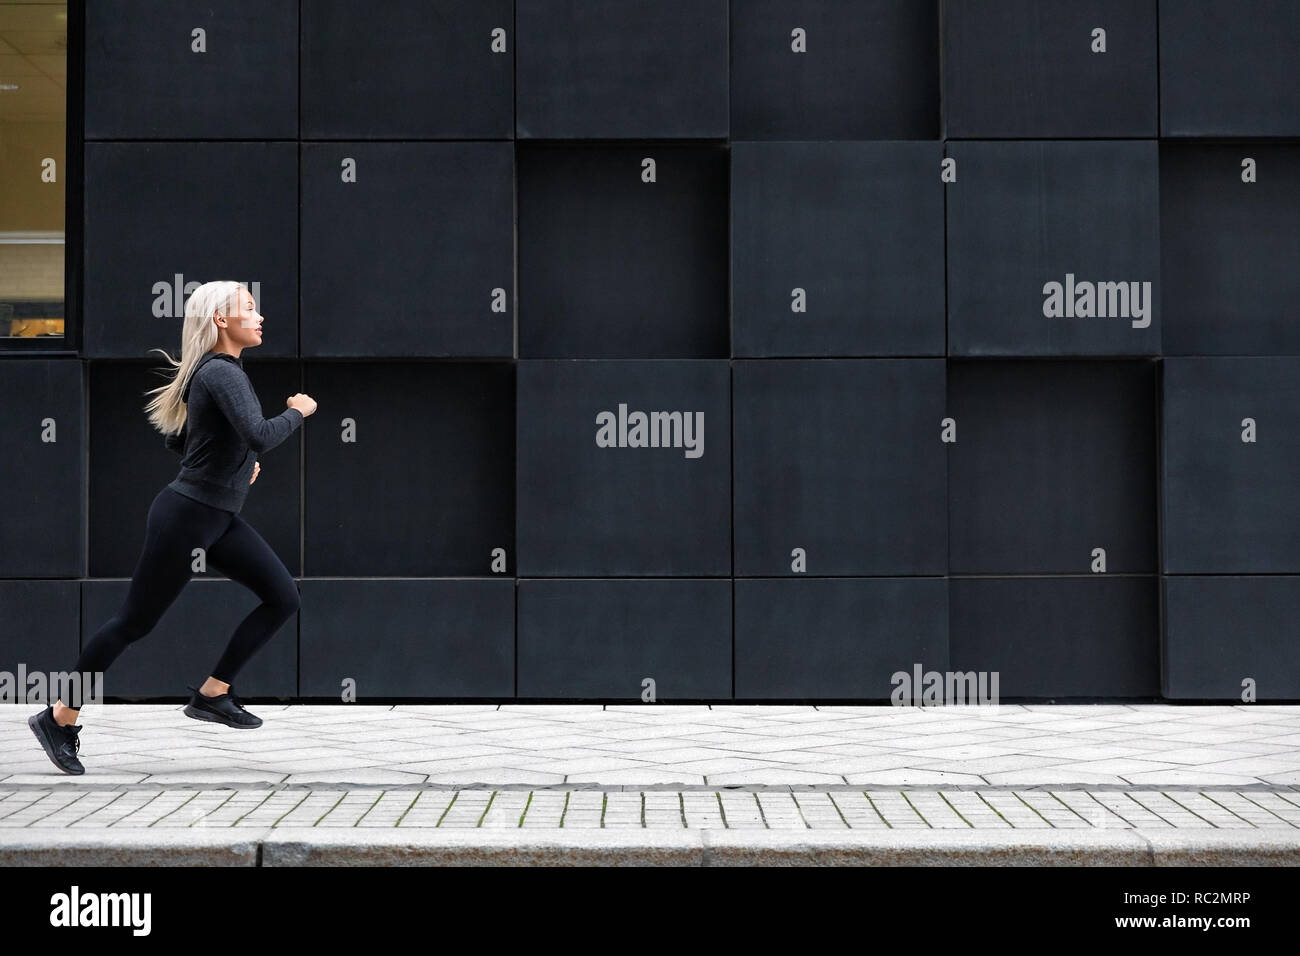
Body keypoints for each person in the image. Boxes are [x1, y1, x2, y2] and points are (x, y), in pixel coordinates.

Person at [28, 281, 318, 775]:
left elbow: (183, 441)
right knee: (133, 623)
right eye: (250, 308)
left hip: (216, 517)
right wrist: (298, 410)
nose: (260, 316)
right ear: (222, 321)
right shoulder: (222, 373)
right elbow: (261, 435)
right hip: (187, 518)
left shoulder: (218, 373)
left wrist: (236, 465)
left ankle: (213, 693)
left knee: (283, 597)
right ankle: (59, 717)